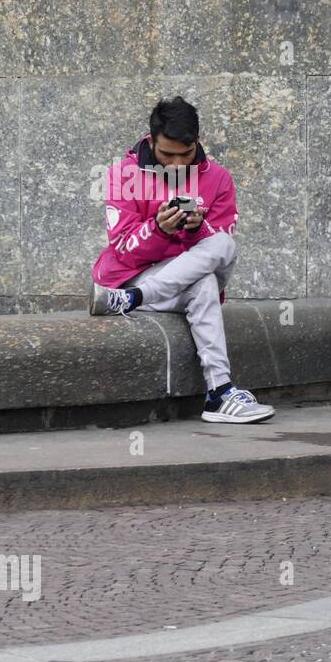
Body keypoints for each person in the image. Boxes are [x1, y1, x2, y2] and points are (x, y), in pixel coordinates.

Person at [89, 97, 275, 424]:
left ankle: (129, 302)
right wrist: (159, 228)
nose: (176, 165)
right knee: (201, 282)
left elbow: (215, 256)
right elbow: (122, 250)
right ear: (150, 141)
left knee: (223, 244)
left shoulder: (218, 179)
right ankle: (220, 393)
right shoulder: (123, 175)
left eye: (185, 155)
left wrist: (195, 230)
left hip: (156, 288)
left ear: (197, 143)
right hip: (134, 275)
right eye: (166, 154)